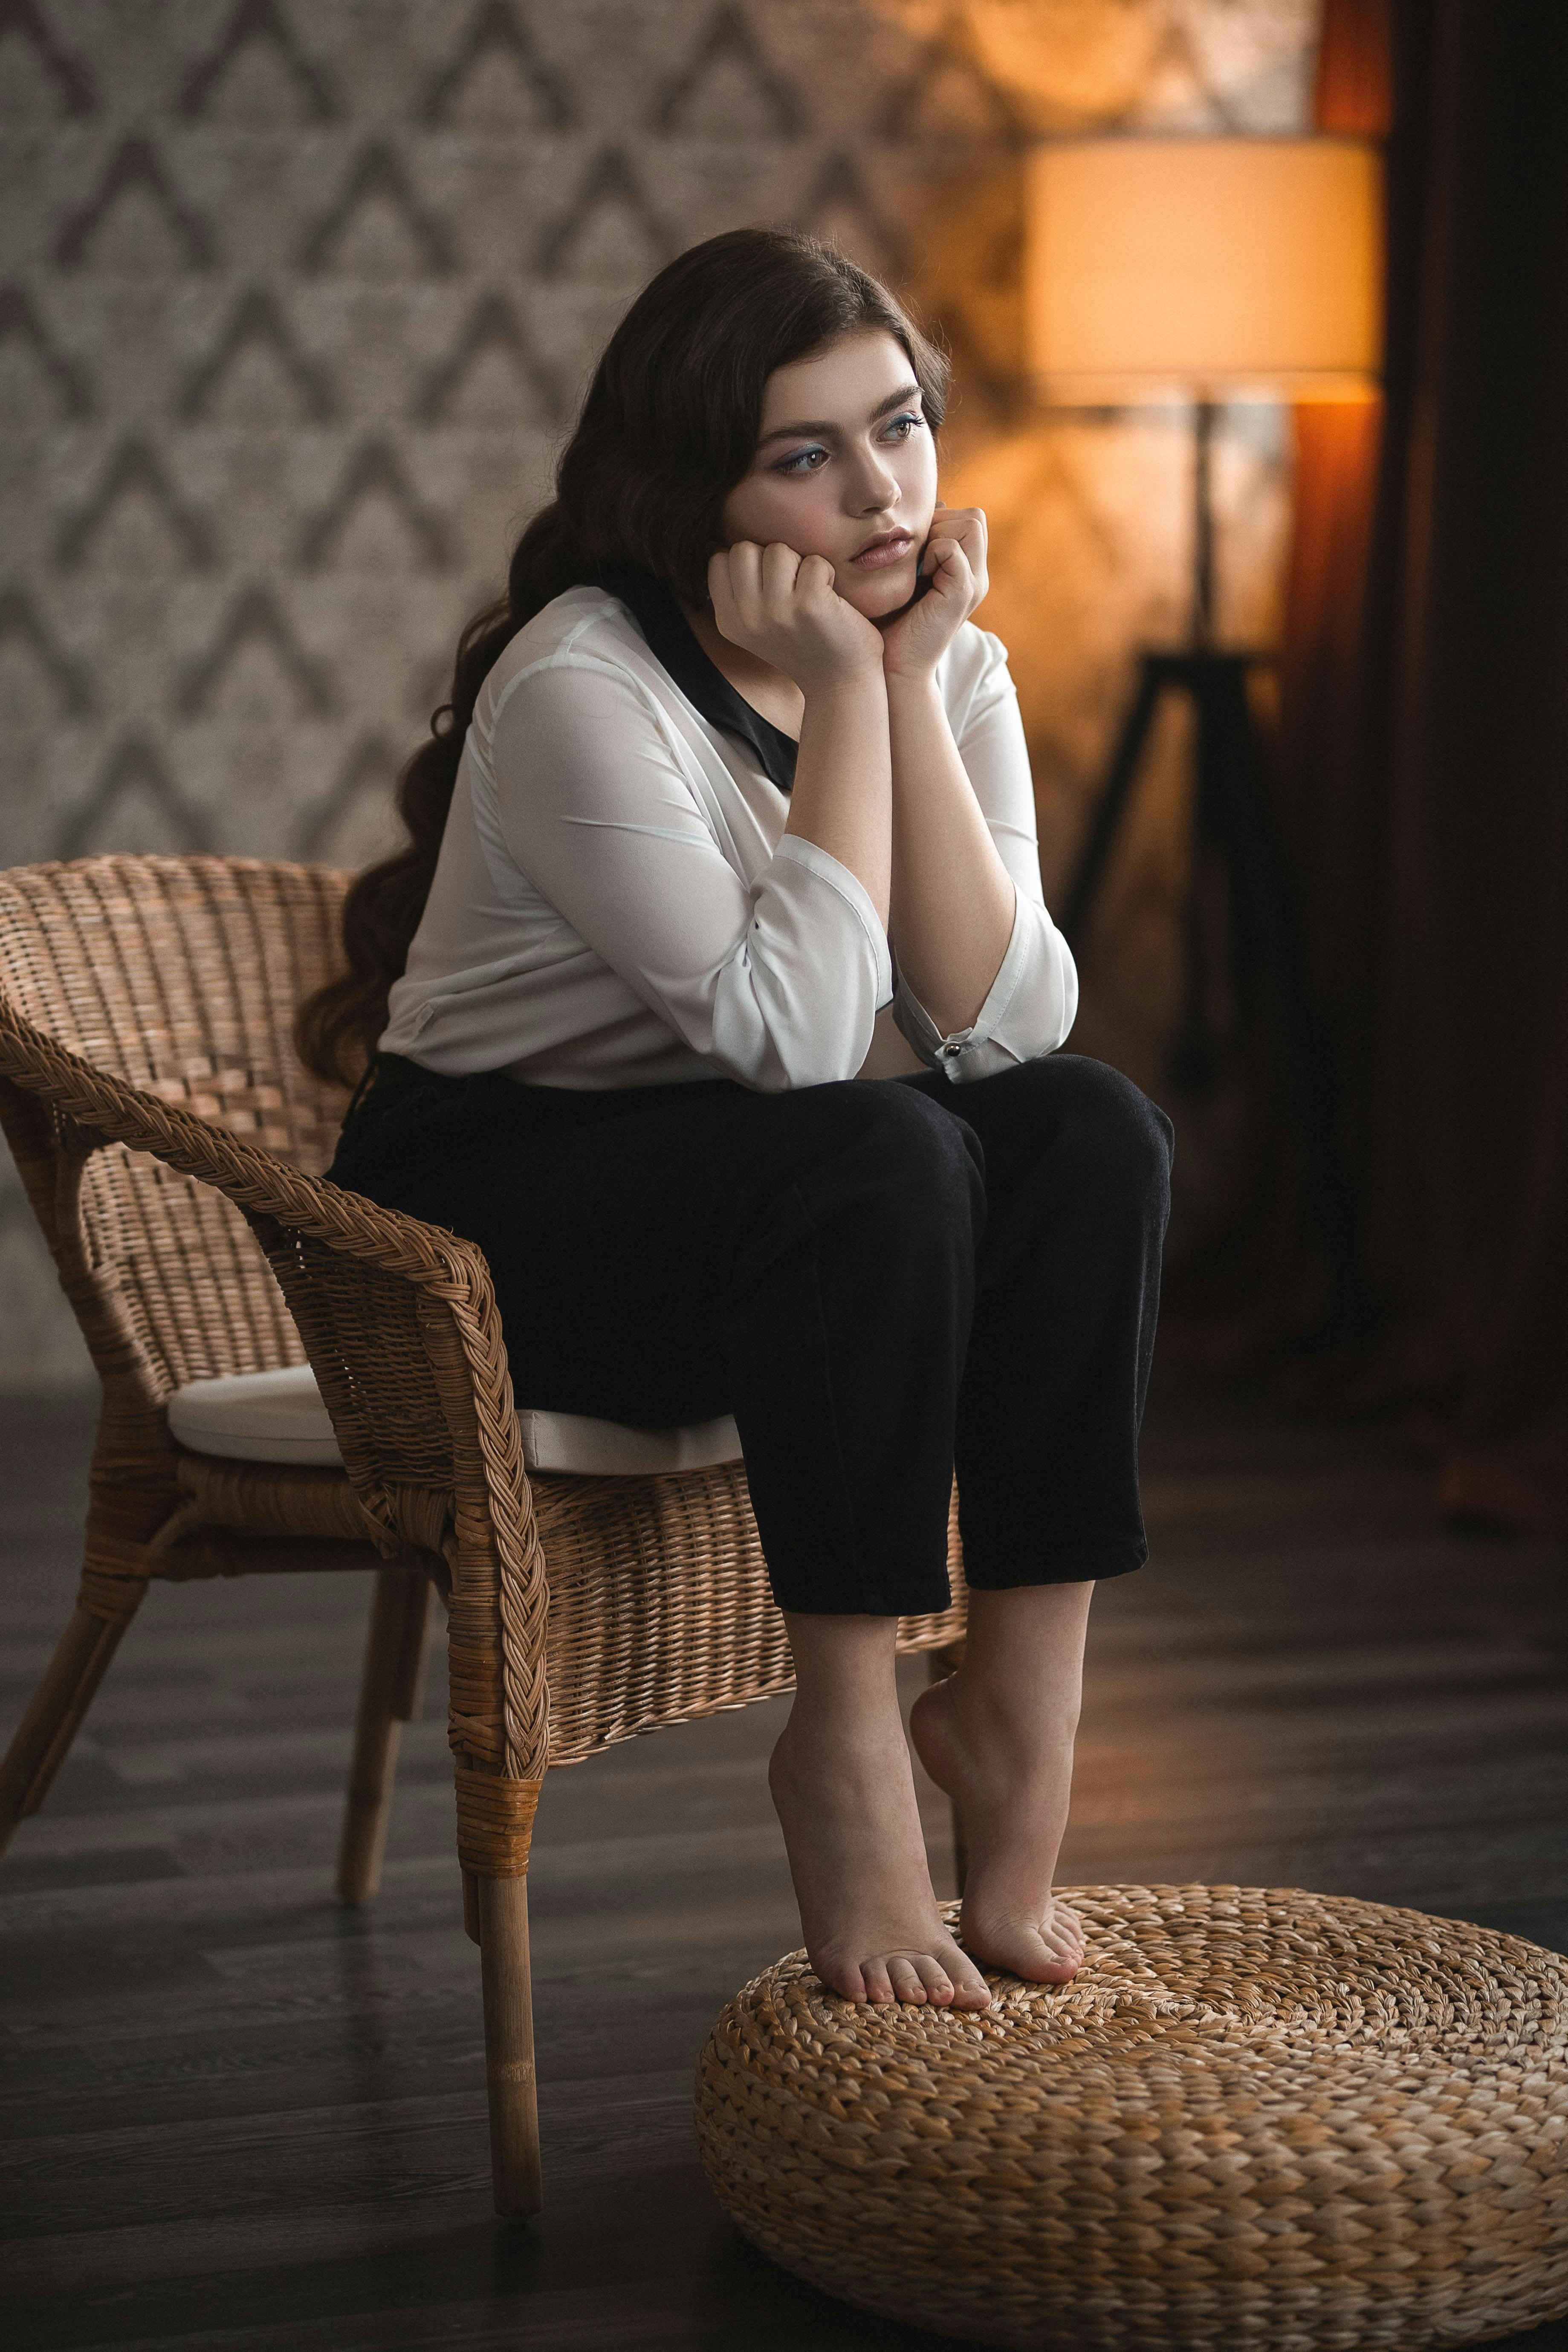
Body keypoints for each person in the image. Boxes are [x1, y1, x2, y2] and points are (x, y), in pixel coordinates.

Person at [298, 227, 1172, 2016]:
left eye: (902, 428)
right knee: (879, 1148)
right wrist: (854, 692)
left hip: (735, 1187)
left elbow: (1008, 1029)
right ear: (693, 486)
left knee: (1087, 1132)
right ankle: (843, 1748)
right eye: (805, 455)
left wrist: (909, 687)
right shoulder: (580, 687)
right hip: (475, 1229)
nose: (880, 492)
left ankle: (1014, 1702)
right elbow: (791, 1041)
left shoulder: (944, 658)